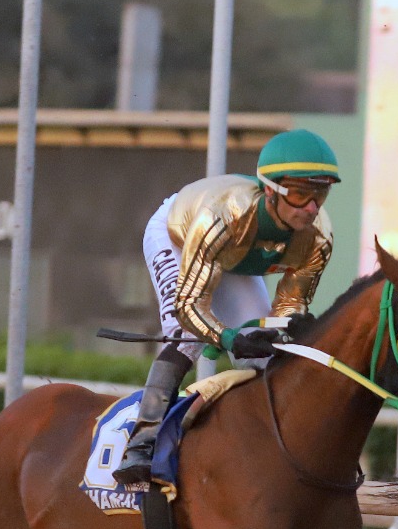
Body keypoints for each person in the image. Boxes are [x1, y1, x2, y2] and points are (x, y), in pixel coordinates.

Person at [112, 129, 341, 484]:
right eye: (299, 195)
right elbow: (189, 305)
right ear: (270, 190)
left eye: (320, 194)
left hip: (234, 257)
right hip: (182, 234)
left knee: (265, 351)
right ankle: (142, 440)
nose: (311, 208)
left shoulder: (319, 238)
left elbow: (291, 303)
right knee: (187, 336)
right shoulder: (222, 219)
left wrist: (287, 327)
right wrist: (229, 338)